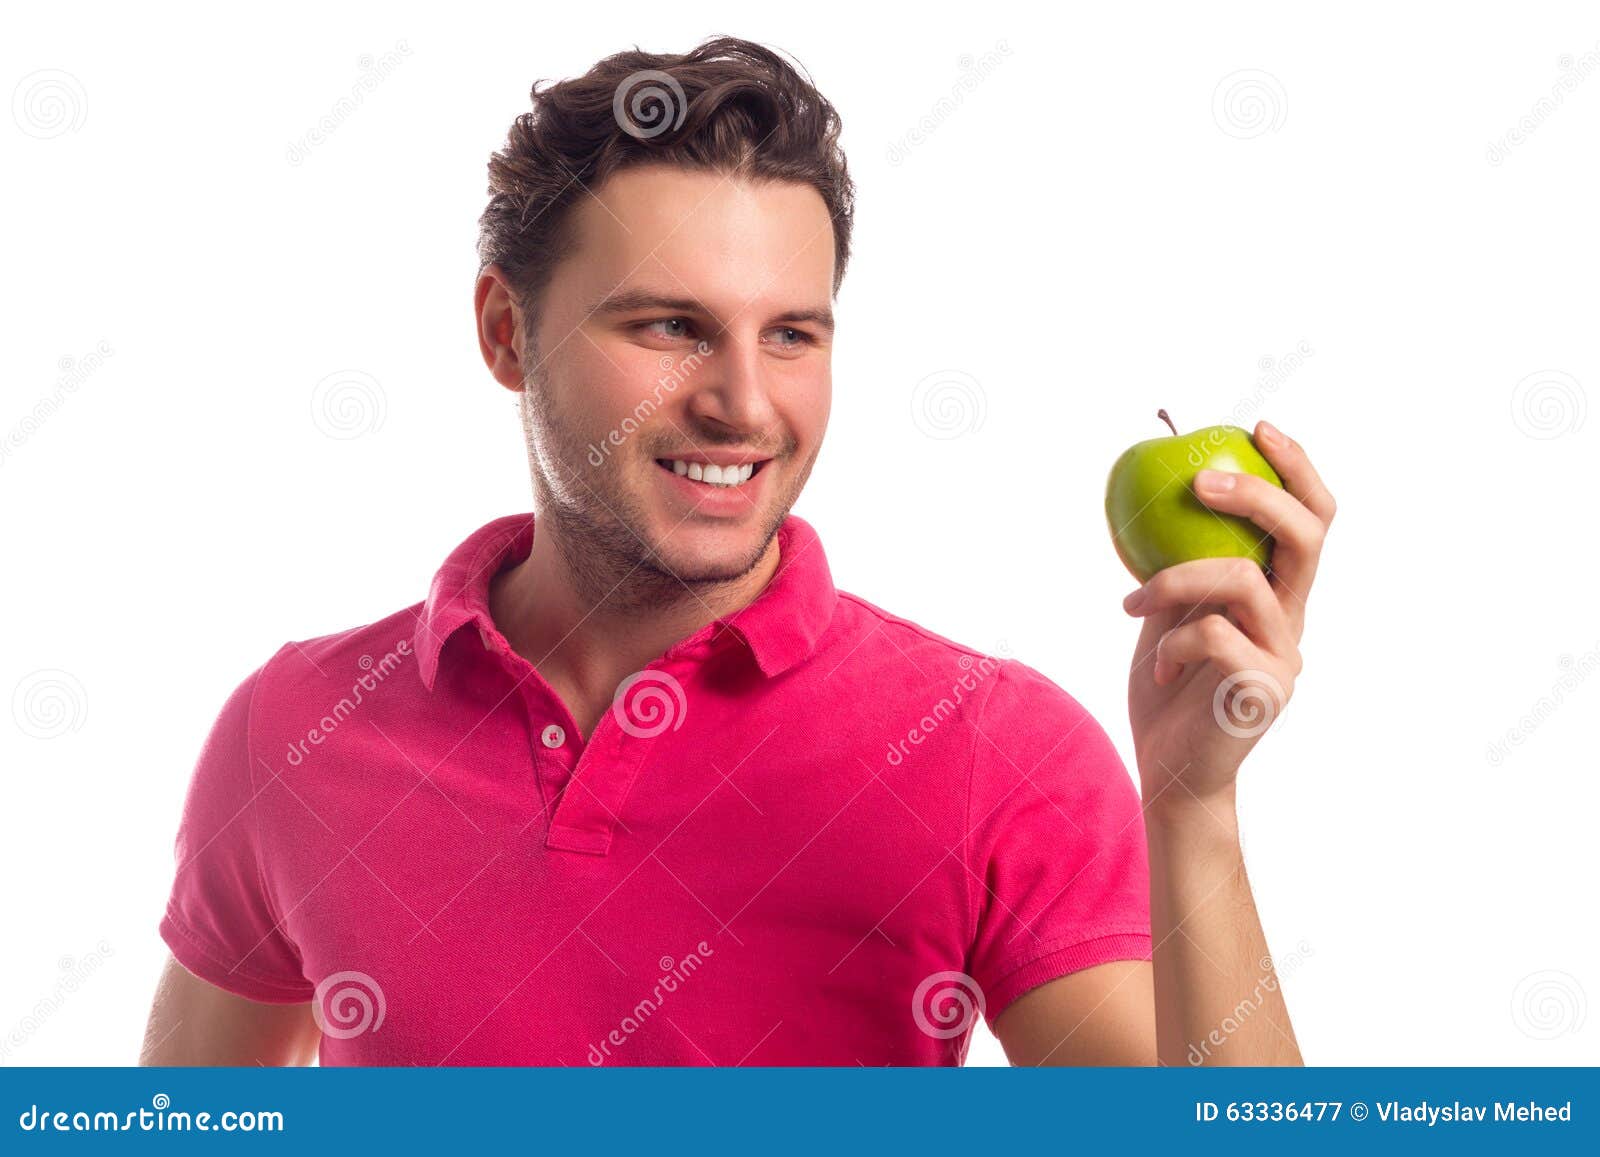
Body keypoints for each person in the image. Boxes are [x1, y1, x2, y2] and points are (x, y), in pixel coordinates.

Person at [141, 35, 1335, 1067]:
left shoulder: (995, 750)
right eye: (672, 326)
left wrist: (1193, 803)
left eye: (793, 334)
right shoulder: (294, 729)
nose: (745, 404)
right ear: (508, 332)